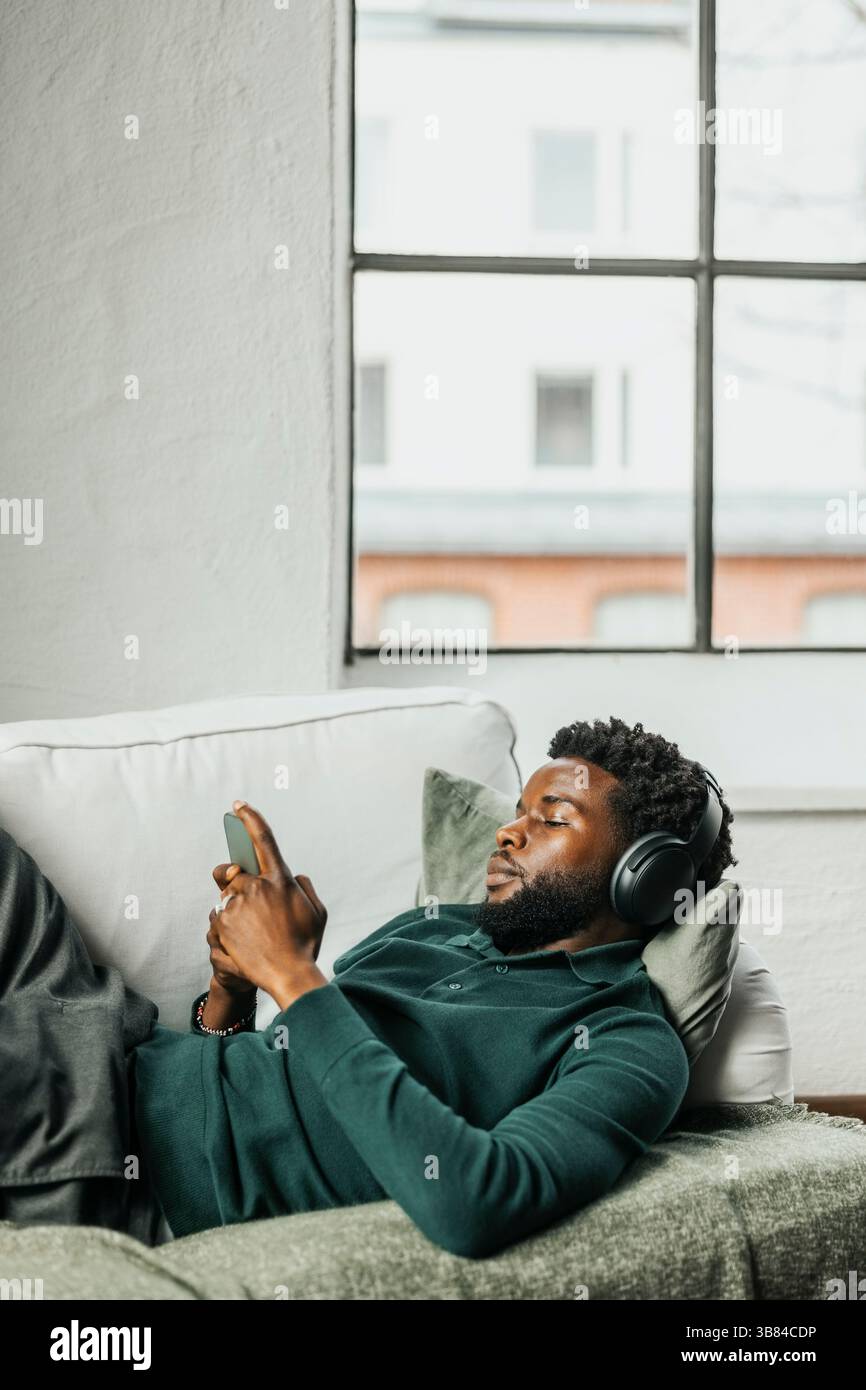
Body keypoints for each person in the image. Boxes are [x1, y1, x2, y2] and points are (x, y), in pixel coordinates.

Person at [0, 717, 735, 1260]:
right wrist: (235, 986)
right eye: (517, 811)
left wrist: (294, 974)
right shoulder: (435, 926)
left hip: (99, 1147)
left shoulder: (628, 1039)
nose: (509, 834)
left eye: (551, 819)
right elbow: (249, 1069)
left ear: (646, 878)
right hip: (107, 1035)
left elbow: (477, 1200)